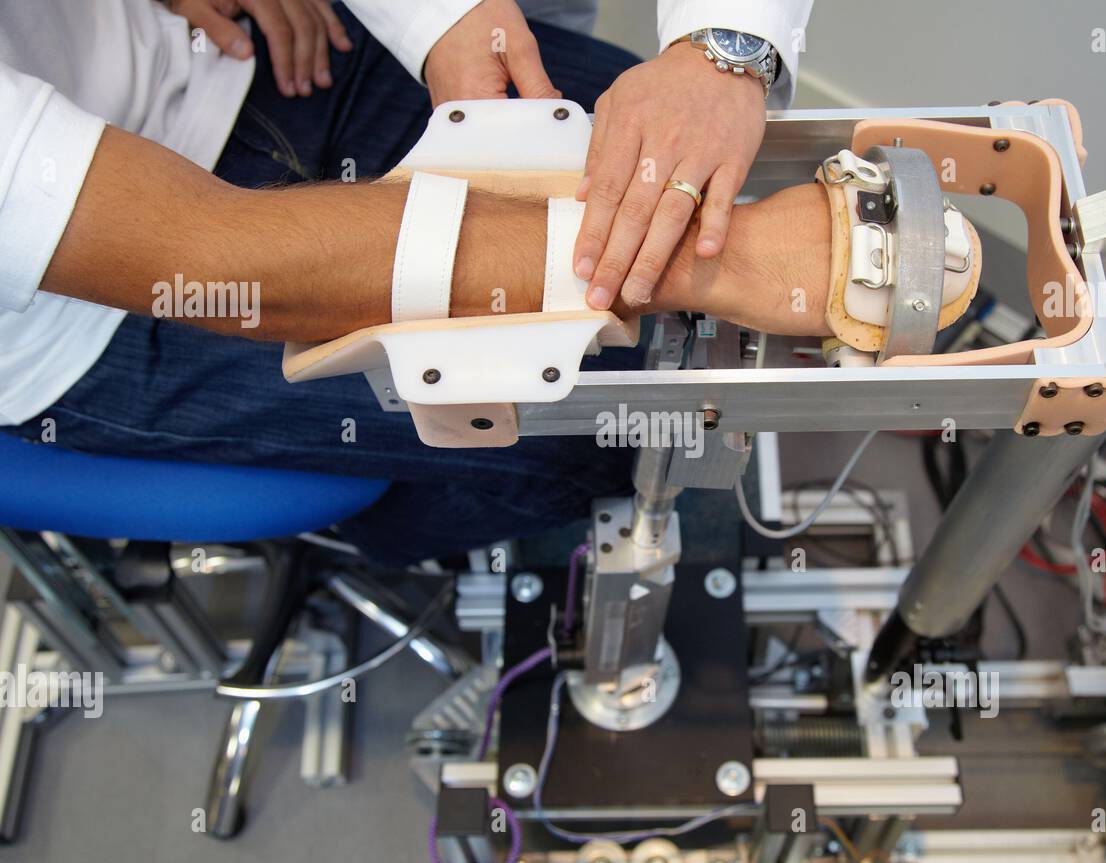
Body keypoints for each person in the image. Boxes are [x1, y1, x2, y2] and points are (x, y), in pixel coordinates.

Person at [0, 0, 827, 566]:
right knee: (614, 422)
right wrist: (718, 261)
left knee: (694, 159)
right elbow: (205, 252)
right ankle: (386, 552)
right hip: (86, 297)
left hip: (240, 55)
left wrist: (725, 51)